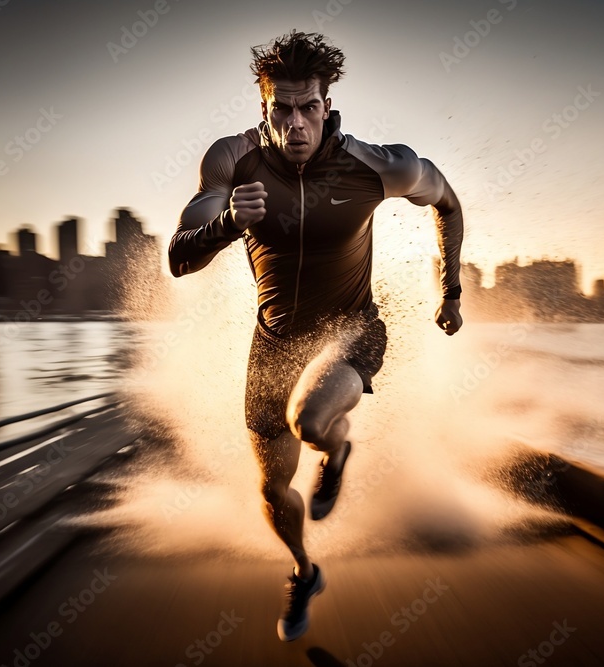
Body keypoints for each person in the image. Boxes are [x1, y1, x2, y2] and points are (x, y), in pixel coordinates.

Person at [167, 30, 464, 642]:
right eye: (283, 109)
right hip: (271, 342)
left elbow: (449, 203)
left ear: (327, 106)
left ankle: (337, 444)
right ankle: (304, 571)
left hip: (352, 332)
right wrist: (227, 223)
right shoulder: (232, 161)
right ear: (265, 111)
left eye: (309, 107)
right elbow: (178, 258)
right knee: (274, 488)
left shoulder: (378, 165)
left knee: (310, 418)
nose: (296, 123)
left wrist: (452, 289)